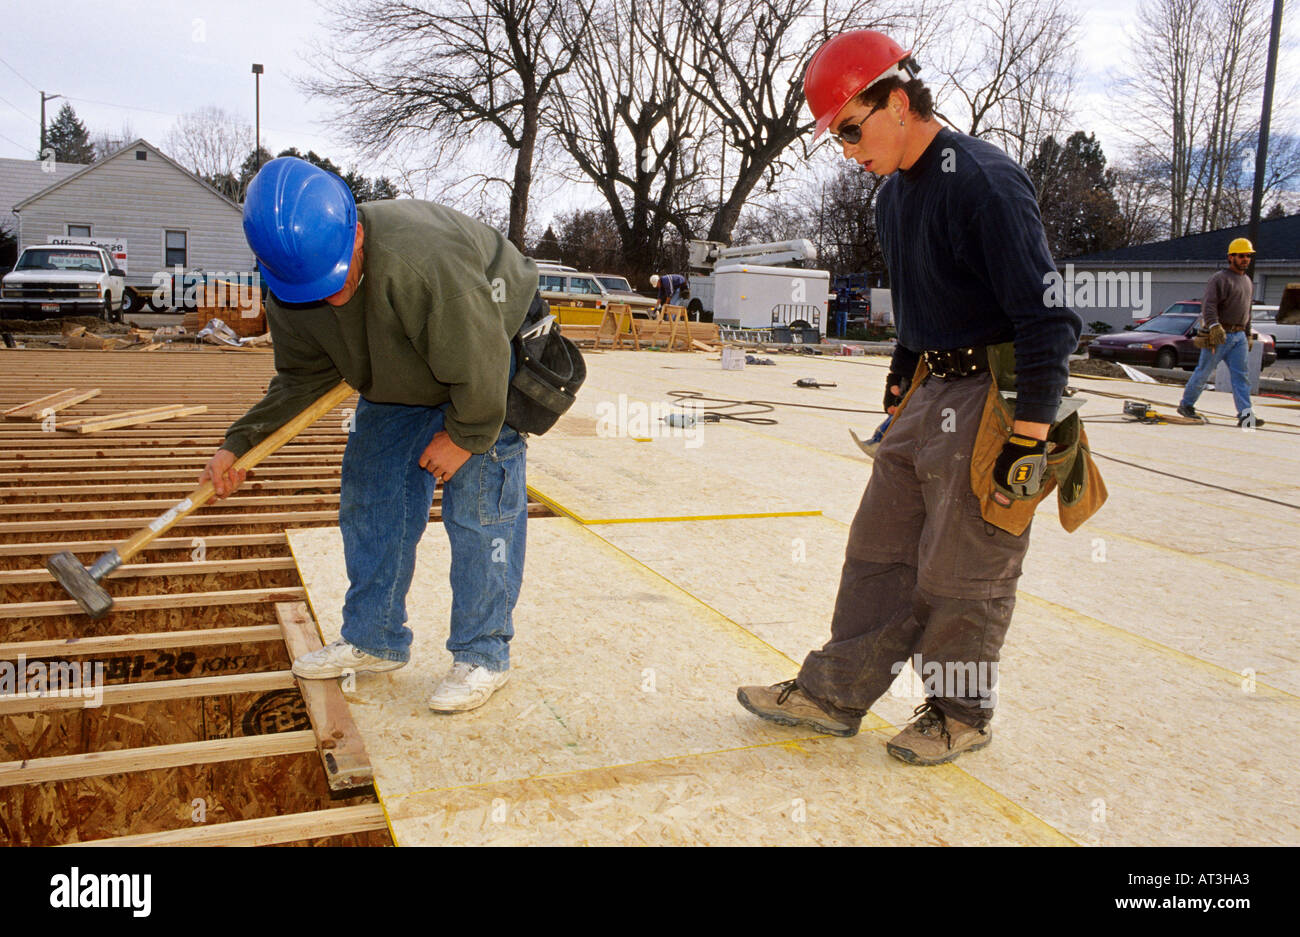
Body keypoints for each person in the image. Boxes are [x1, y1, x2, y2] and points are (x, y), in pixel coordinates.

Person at [737, 30, 1098, 765]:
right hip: (931, 387)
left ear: (896, 102)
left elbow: (1048, 318)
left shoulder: (986, 184)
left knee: (964, 566)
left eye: (849, 127)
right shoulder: (893, 200)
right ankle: (834, 692)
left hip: (994, 395)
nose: (845, 148)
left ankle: (960, 713)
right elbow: (919, 302)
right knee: (877, 549)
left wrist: (1029, 435)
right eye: (834, 136)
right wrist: (902, 379)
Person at [201, 156, 536, 713]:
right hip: (398, 365)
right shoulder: (291, 286)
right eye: (314, 291)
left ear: (357, 232)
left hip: (485, 348)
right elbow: (303, 378)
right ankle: (374, 637)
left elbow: (479, 358)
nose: (330, 300)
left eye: (339, 281)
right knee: (372, 492)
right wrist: (240, 442)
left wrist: (466, 435)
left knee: (481, 509)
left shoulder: (423, 260)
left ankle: (483, 654)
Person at [1177, 238, 1266, 427]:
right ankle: (1186, 405)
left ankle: (1246, 415)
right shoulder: (1220, 279)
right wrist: (1214, 326)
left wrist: (1248, 333)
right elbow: (1209, 305)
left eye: (1248, 256)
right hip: (1220, 335)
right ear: (1230, 257)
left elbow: (1247, 311)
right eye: (1241, 256)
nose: (1245, 260)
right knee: (1204, 372)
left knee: (1241, 376)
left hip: (1238, 335)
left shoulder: (1247, 281)